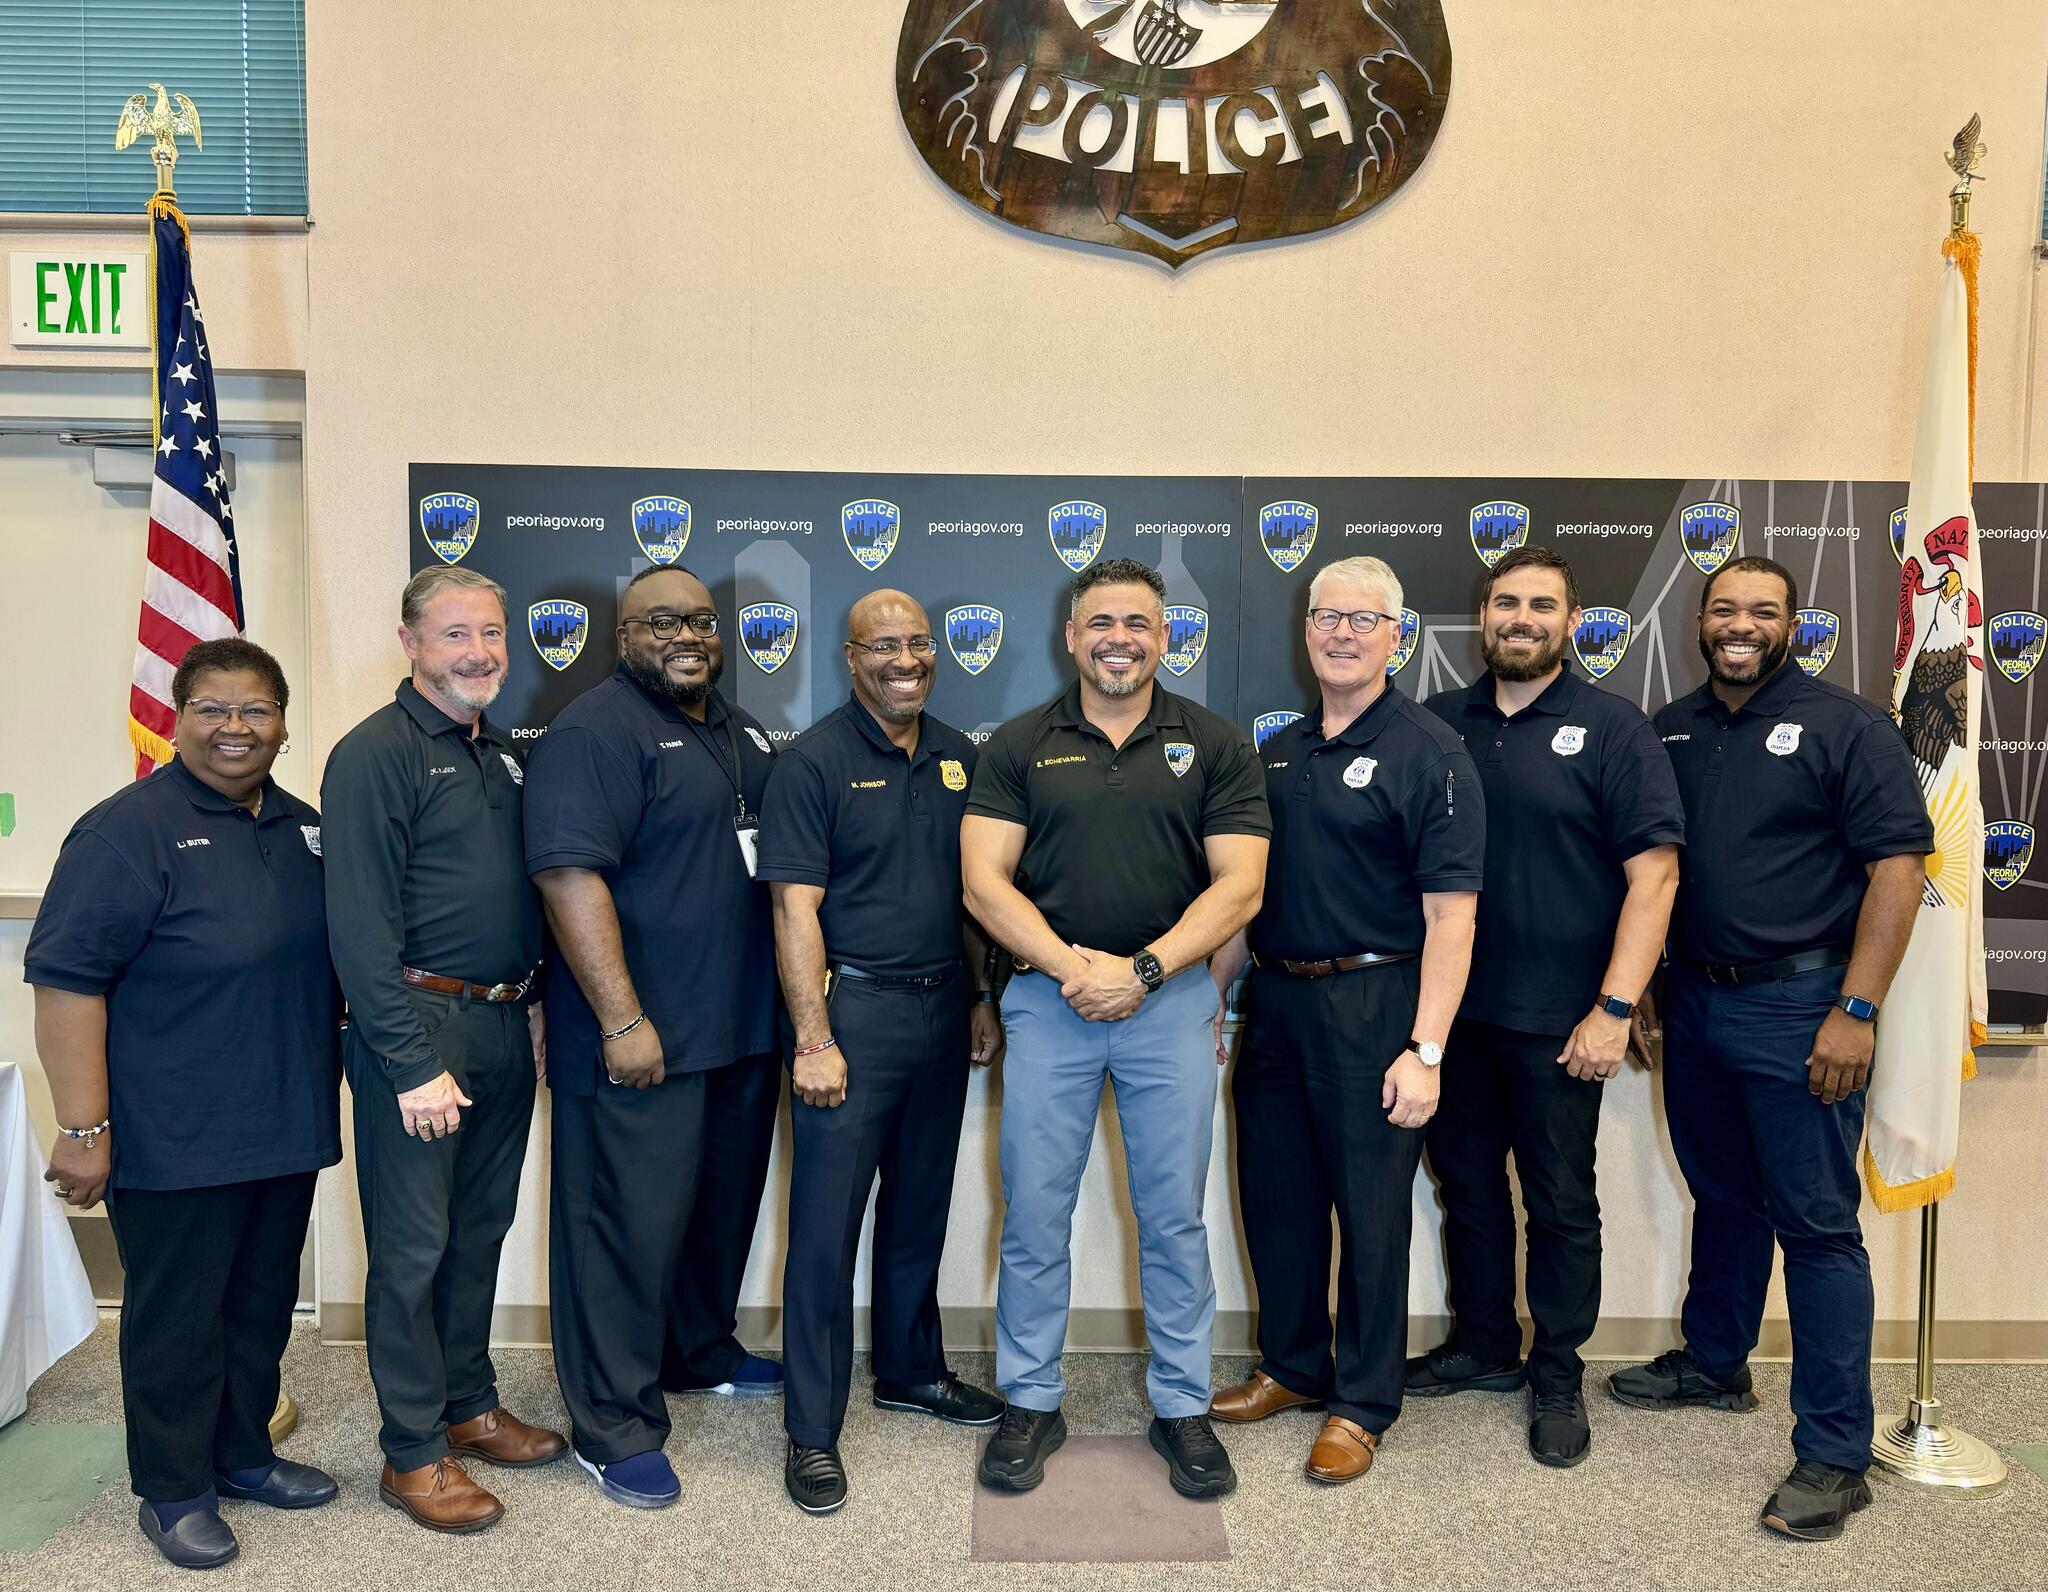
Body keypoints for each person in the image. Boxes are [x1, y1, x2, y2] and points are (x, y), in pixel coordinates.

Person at [1613, 555, 1929, 1541]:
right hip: (1694, 1003)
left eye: (1759, 609)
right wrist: (1655, 989)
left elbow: (1896, 870)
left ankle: (1835, 1452)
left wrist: (1856, 1009)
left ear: (1792, 624)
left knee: (1817, 1225)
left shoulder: (1847, 725)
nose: (1737, 624)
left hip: (1801, 1006)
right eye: (1721, 609)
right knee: (1723, 1193)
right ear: (1697, 621)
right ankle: (1714, 1359)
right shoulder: (1668, 724)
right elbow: (1659, 870)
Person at [27, 639, 340, 1570]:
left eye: (256, 711)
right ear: (176, 715)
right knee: (178, 1320)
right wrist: (85, 1127)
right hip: (175, 1134)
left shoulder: (304, 828)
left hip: (285, 1124)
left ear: (284, 724)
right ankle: (173, 1489)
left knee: (258, 1307)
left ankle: (243, 1453)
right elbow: (65, 982)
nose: (235, 728)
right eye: (212, 708)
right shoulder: (125, 830)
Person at [961, 557, 1270, 1499]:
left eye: (1137, 622)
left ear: (1165, 636)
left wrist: (1140, 971)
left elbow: (1241, 885)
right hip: (1048, 1003)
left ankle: (1182, 1407)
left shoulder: (1215, 743)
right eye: (1100, 622)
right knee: (1035, 1214)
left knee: (1174, 1217)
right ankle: (1030, 1399)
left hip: (1167, 1003)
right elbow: (984, 882)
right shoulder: (1017, 743)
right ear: (1071, 634)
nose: (1118, 638)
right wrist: (1074, 970)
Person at [1209, 555, 1484, 1485]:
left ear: (1395, 637)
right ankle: (1292, 1366)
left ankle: (1362, 1404)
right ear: (1307, 628)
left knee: (1370, 1214)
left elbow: (1454, 915)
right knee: (1277, 1199)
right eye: (1327, 617)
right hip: (1276, 1001)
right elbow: (1247, 898)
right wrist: (1214, 999)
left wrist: (1427, 1049)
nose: (1340, 633)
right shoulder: (1279, 752)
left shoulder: (1429, 750)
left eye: (1363, 621)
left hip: (1378, 1003)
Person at [523, 565, 784, 1511]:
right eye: (662, 621)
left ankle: (698, 1352)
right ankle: (612, 1423)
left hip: (738, 1032)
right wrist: (622, 1019)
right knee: (621, 1233)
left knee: (715, 1214)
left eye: (703, 621)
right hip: (642, 1041)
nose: (688, 635)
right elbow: (568, 878)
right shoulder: (594, 731)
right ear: (621, 634)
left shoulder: (736, 728)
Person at [1415, 547, 1683, 1466]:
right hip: (1453, 1015)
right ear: (1480, 616)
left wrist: (1614, 1008)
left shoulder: (1614, 727)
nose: (1521, 618)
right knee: (1469, 1188)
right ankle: (1484, 1343)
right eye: (1504, 603)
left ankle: (1557, 1370)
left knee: (1562, 1201)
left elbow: (1656, 877)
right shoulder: (1436, 723)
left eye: (1541, 604)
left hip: (1563, 1019)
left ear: (1571, 621)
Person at [322, 566, 565, 1534]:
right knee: (412, 1252)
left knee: (477, 1235)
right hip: (418, 1032)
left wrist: (535, 1002)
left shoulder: (502, 753)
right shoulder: (372, 753)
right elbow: (358, 925)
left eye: (491, 633)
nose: (478, 652)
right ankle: (411, 1449)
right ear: (411, 641)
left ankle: (467, 1407)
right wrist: (408, 1059)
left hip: (505, 1021)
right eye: (455, 633)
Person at [760, 590, 1006, 1515]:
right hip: (850, 1017)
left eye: (919, 644)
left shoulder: (958, 757)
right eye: (884, 646)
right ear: (851, 655)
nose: (906, 660)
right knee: (824, 1232)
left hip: (943, 1010)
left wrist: (981, 996)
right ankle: (811, 1431)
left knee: (919, 1209)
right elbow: (795, 910)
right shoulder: (813, 762)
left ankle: (910, 1369)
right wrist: (813, 1038)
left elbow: (973, 895)